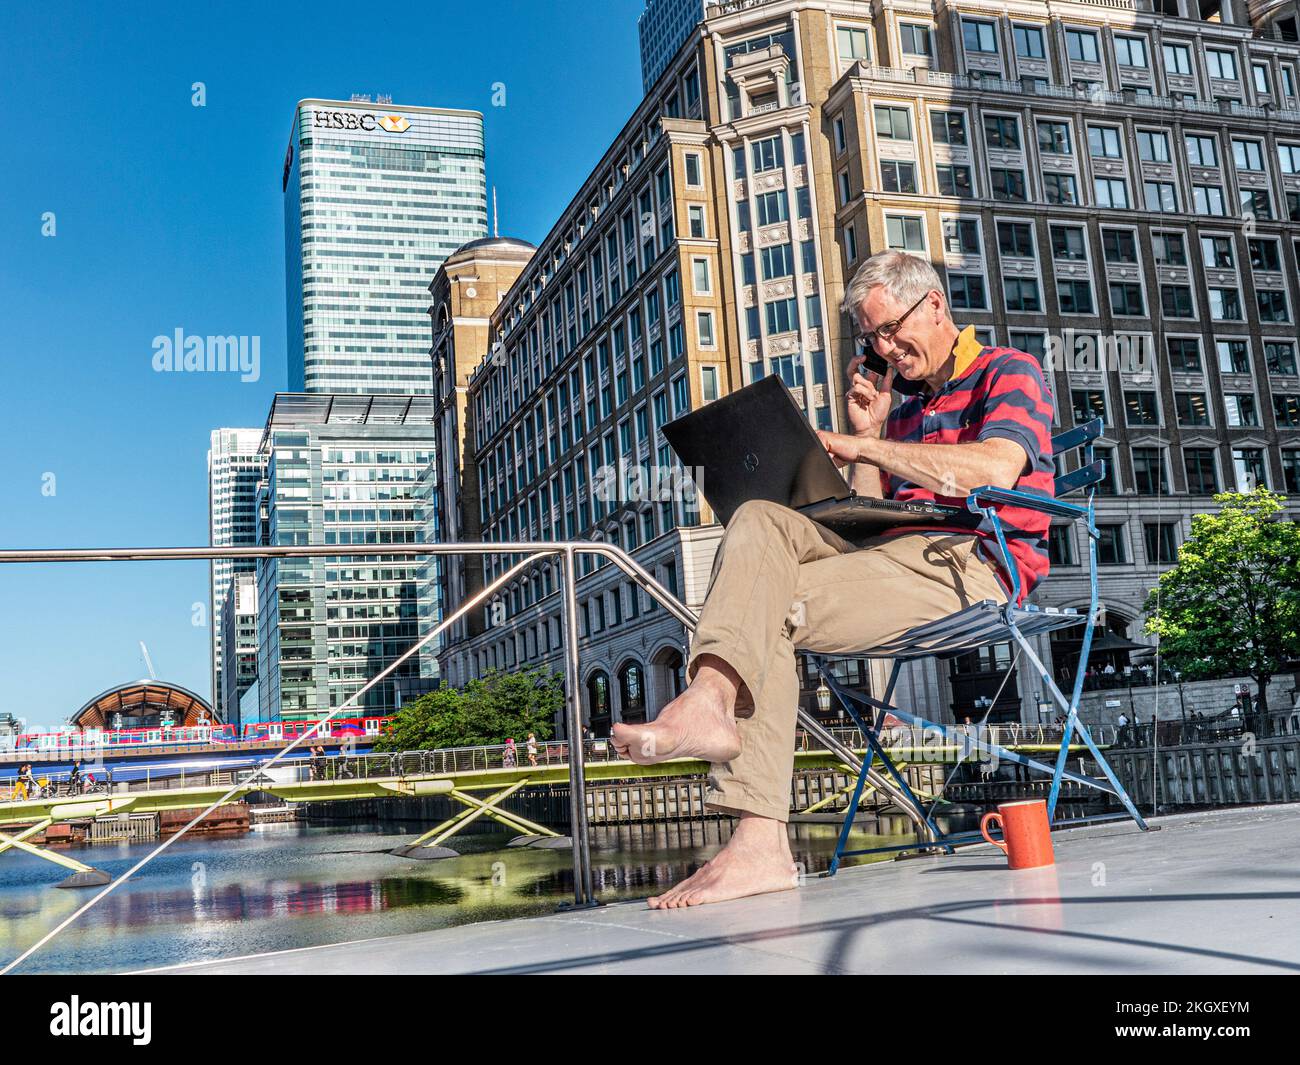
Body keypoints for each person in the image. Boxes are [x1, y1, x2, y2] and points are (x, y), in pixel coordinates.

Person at [612, 250, 1055, 909]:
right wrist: (871, 428)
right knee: (759, 515)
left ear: (935, 305)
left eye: (889, 328)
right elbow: (872, 524)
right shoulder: (901, 411)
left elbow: (993, 467)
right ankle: (708, 697)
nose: (882, 348)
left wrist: (864, 446)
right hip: (894, 561)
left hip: (973, 568)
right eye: (870, 337)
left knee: (777, 610)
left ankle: (759, 841)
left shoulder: (1007, 371)